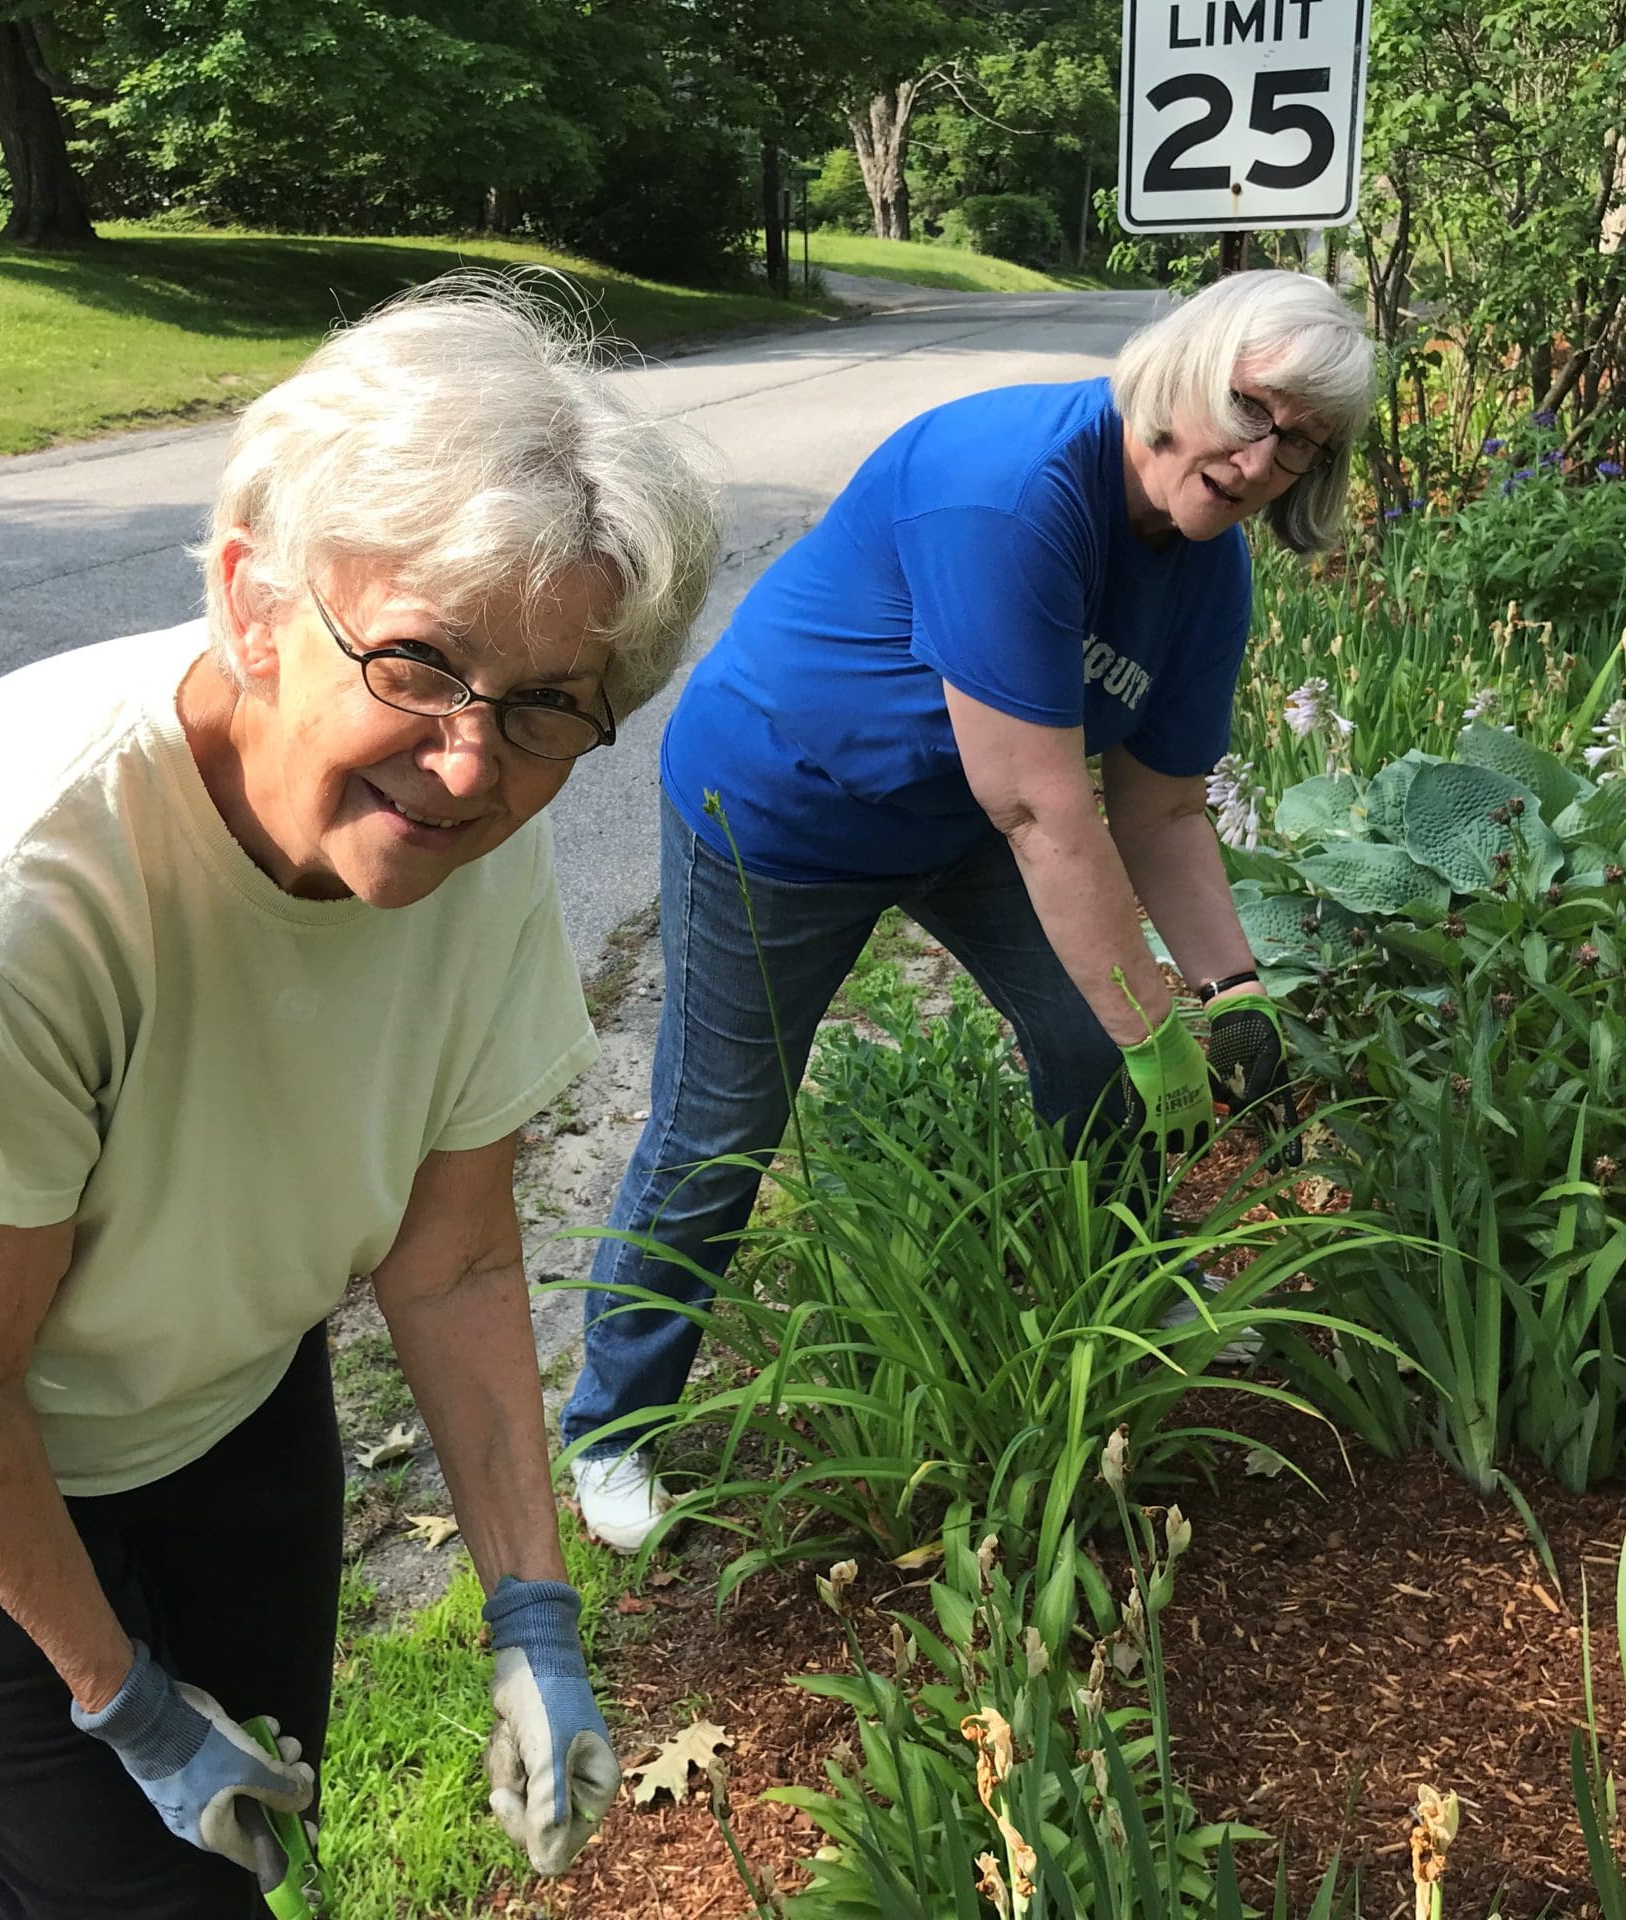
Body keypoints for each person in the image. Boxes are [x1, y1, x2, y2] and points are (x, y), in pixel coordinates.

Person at [0, 278, 718, 1917]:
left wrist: (534, 1617)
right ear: (256, 604)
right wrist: (118, 1705)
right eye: (420, 663)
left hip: (219, 1380)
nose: (471, 763)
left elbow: (452, 1257)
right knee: (153, 1883)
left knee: (253, 1835)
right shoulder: (23, 882)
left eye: (547, 708)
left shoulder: (478, 837)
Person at [560, 268, 1375, 1552]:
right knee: (724, 1120)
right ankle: (612, 1429)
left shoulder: (1209, 578)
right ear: (1181, 367)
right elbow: (1046, 812)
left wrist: (1232, 996)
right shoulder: (1011, 487)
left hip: (965, 813)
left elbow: (1158, 813)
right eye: (1252, 408)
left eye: (1304, 446)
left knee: (1084, 1047)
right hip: (782, 804)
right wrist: (1155, 1022)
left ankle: (1124, 1276)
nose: (1264, 458)